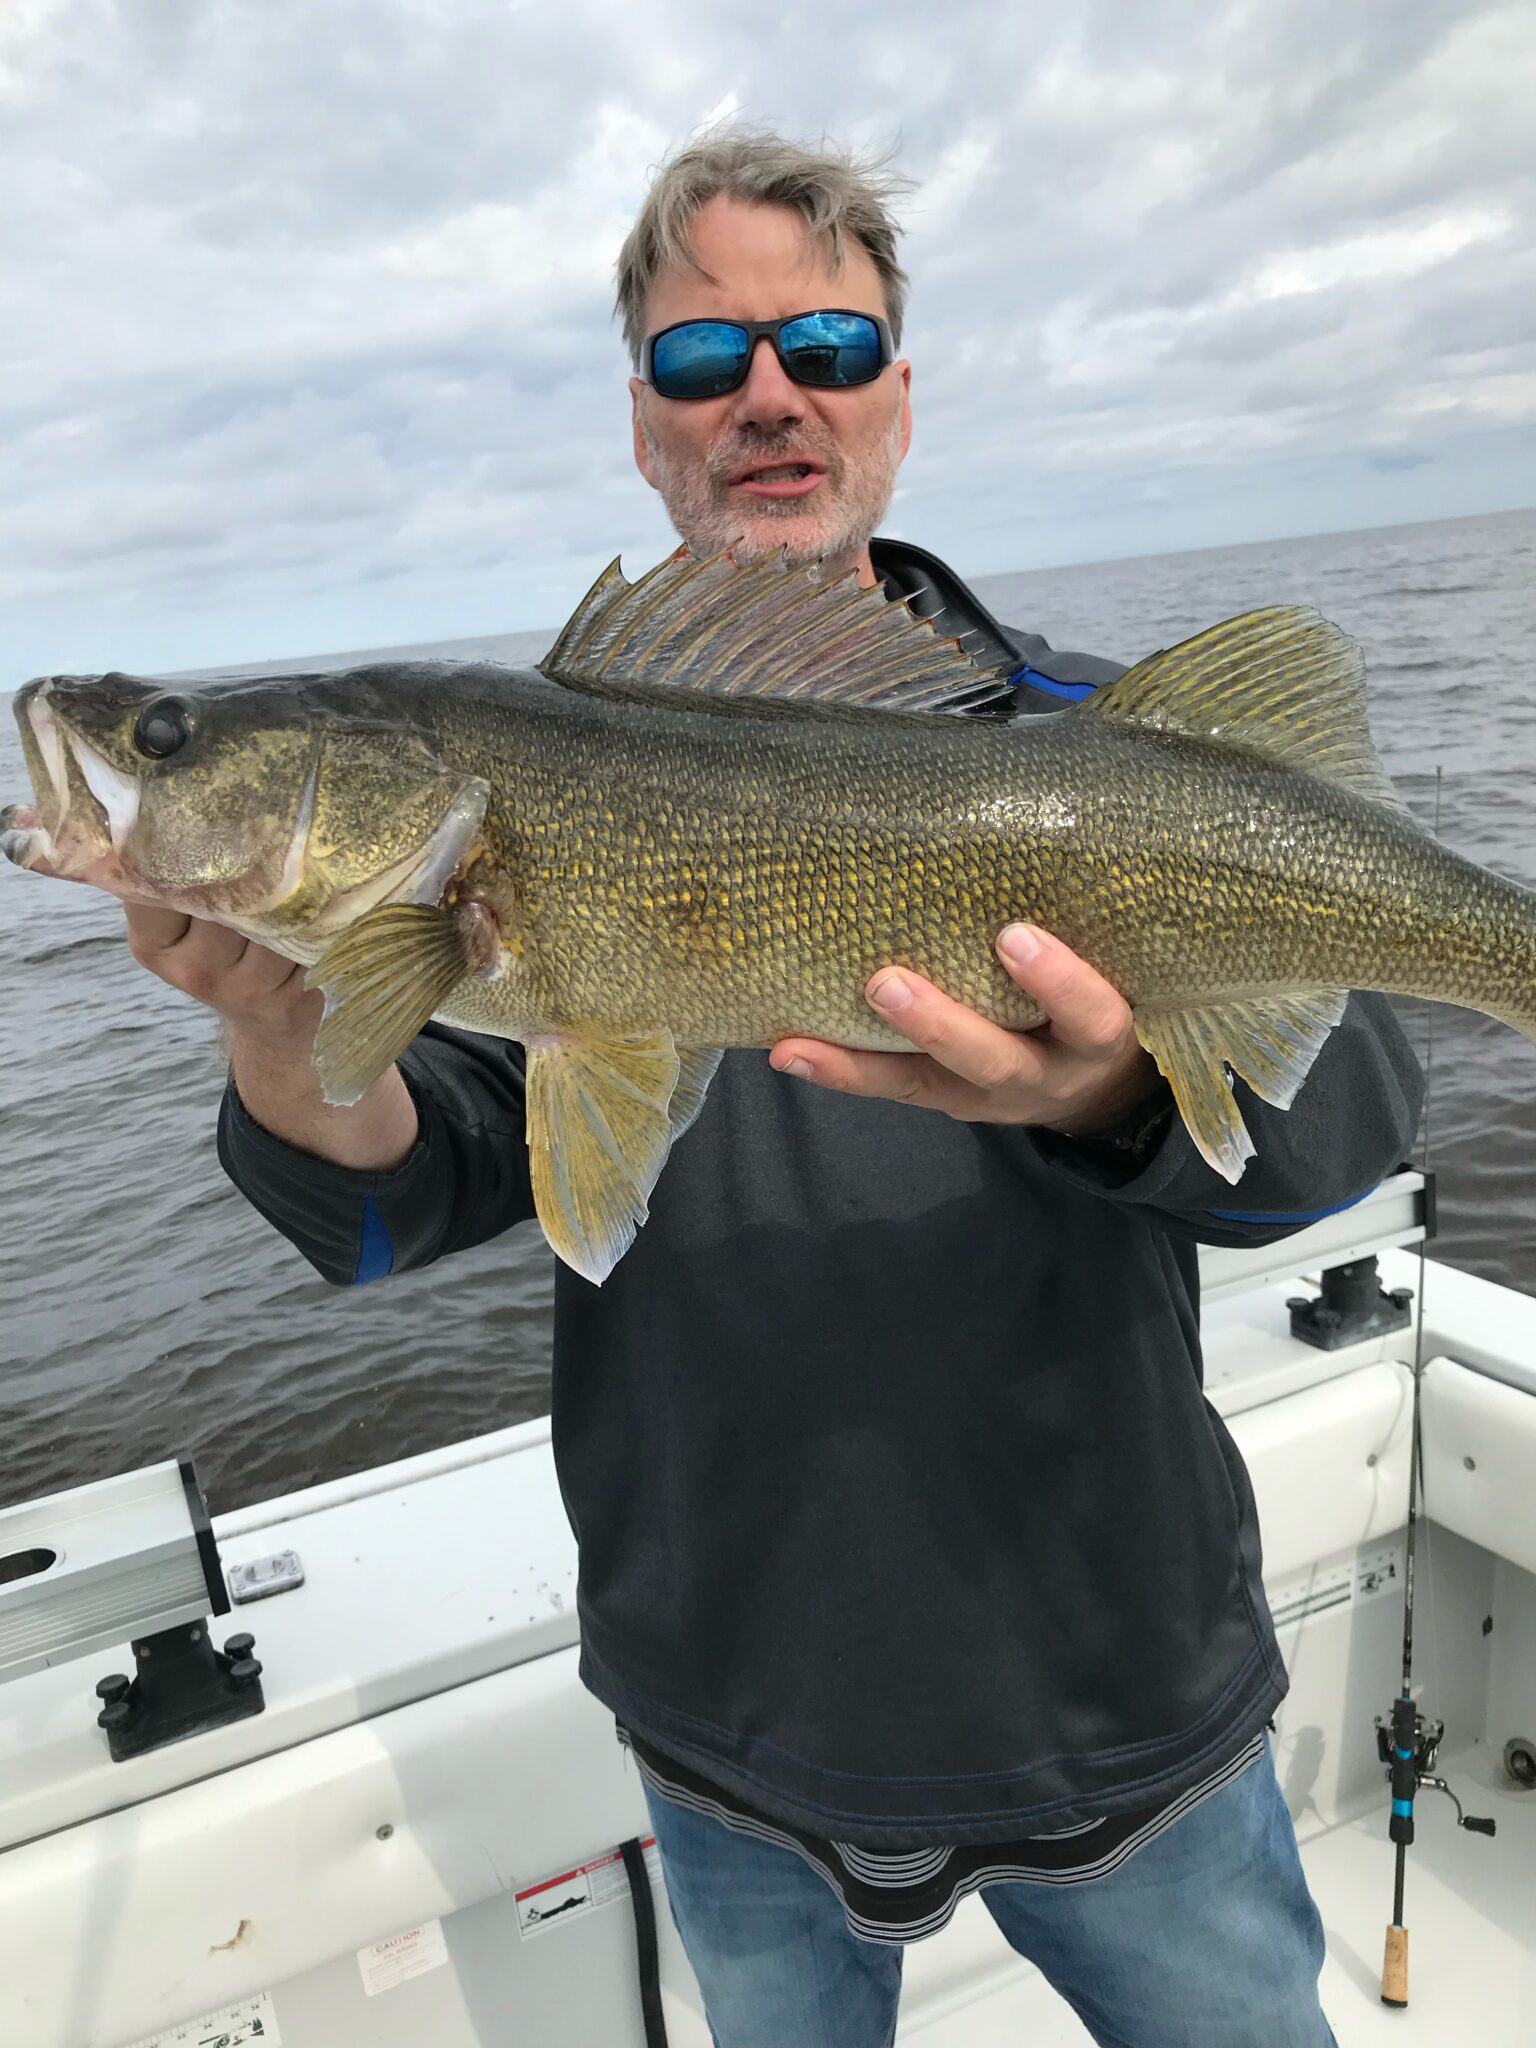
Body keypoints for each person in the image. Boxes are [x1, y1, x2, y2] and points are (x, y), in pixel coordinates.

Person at [124, 134, 1421, 2045]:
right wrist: (273, 1020)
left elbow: (1344, 1133)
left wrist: (1106, 1095)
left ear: (900, 389)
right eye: (696, 358)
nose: (765, 395)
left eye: (825, 338)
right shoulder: (502, 796)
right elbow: (403, 1196)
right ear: (642, 422)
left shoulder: (1095, 744)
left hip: (1121, 1683)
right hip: (725, 1702)